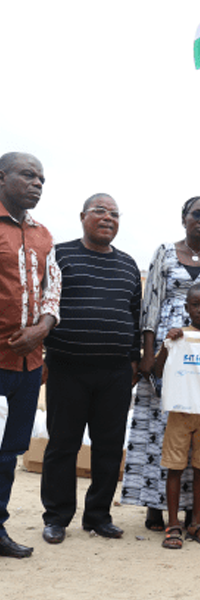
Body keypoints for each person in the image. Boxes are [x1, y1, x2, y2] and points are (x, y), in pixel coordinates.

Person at [121, 196, 200, 531]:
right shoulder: (164, 252)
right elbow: (151, 302)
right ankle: (155, 506)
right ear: (184, 217)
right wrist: (148, 352)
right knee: (161, 428)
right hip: (168, 347)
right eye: (196, 214)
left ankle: (192, 513)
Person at [40, 193, 141, 545]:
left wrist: (133, 360)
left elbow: (134, 315)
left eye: (114, 214)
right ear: (82, 216)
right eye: (100, 211)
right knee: (62, 445)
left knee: (109, 448)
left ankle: (98, 516)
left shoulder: (128, 265)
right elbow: (44, 303)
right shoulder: (60, 255)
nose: (108, 218)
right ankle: (56, 518)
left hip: (115, 372)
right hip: (66, 367)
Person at [0, 152, 60, 559]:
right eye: (28, 175)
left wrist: (43, 327)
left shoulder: (43, 235)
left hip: (28, 366)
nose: (37, 183)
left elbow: (53, 288)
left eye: (41, 178)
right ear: (2, 177)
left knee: (8, 454)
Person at [154, 283, 200, 549]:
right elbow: (157, 370)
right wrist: (167, 345)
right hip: (180, 412)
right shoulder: (178, 336)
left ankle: (196, 521)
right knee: (174, 467)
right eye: (195, 305)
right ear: (186, 308)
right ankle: (173, 522)